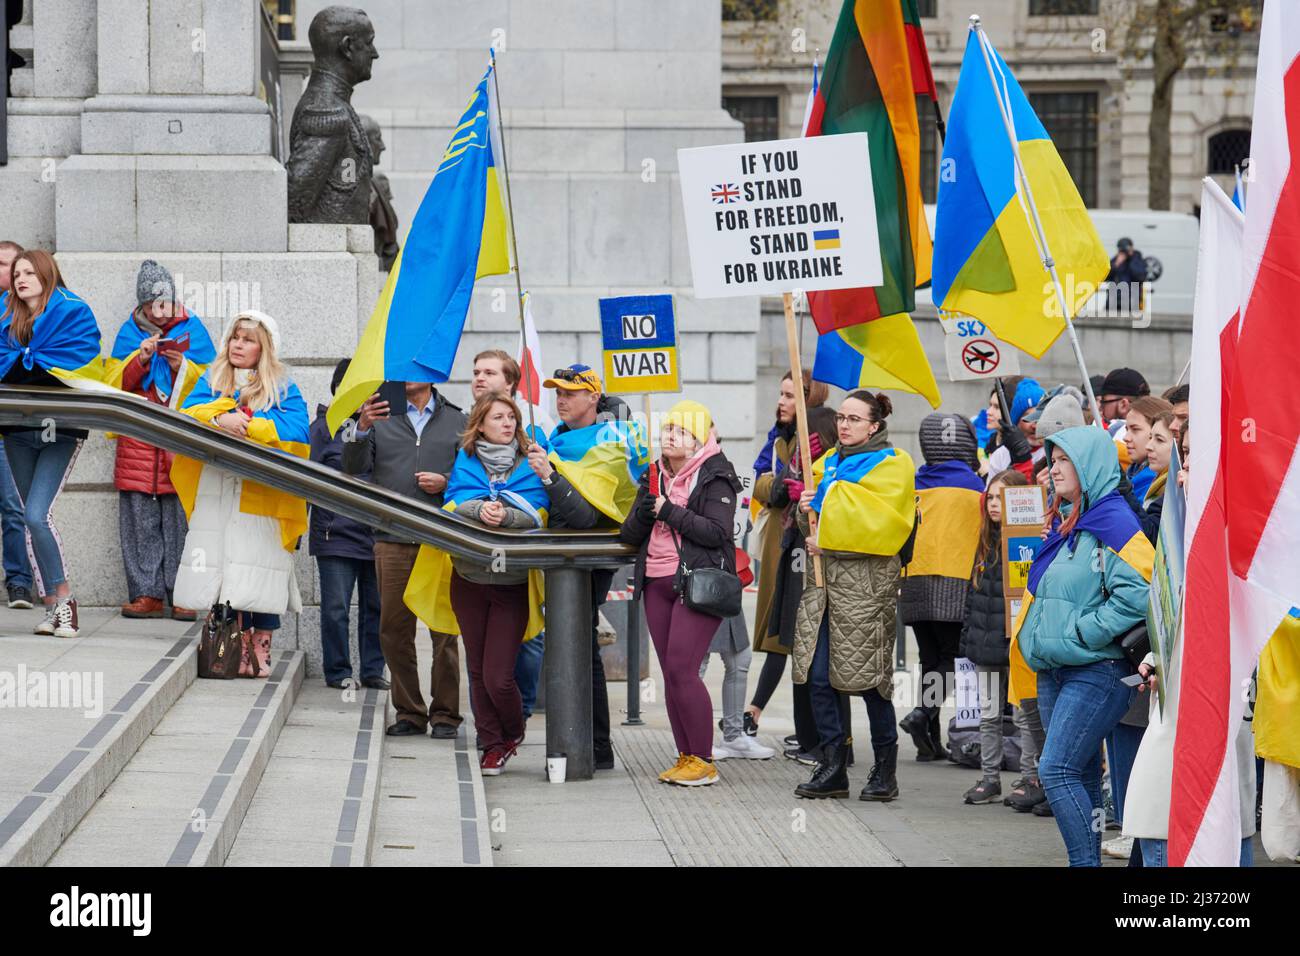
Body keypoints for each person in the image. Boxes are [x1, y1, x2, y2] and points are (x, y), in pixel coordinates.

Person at [1012, 425, 1153, 866]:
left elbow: (1139, 592)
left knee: (1055, 770)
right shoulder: (1069, 522)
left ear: (1089, 464)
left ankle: (1083, 864)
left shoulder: (1113, 521)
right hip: (1056, 668)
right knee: (1082, 771)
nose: (1052, 469)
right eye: (1050, 461)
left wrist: (1082, 633)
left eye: (1062, 461)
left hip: (1098, 669)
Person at [791, 392, 916, 801]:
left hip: (866, 591)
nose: (844, 425)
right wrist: (804, 506)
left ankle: (885, 770)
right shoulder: (826, 463)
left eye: (854, 419)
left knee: (869, 683)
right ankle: (833, 764)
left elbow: (882, 527)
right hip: (824, 589)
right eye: (841, 418)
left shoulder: (894, 466)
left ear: (874, 426)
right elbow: (811, 522)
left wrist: (825, 535)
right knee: (820, 677)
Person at [170, 311, 310, 676]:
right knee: (225, 569)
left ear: (264, 348)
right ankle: (232, 647)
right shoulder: (211, 378)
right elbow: (187, 414)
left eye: (248, 339)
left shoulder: (282, 386)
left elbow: (297, 429)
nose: (238, 344)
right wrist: (220, 418)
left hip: (261, 492)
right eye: (235, 337)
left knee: (259, 569)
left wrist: (250, 424)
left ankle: (260, 647)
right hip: (218, 489)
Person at [620, 400, 741, 788]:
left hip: (696, 583)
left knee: (682, 669)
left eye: (682, 431)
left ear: (700, 440)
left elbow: (716, 533)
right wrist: (647, 506)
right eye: (668, 429)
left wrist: (668, 509)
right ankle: (685, 754)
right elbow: (628, 536)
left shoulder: (715, 476)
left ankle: (704, 761)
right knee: (670, 675)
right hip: (656, 582)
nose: (671, 436)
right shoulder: (654, 475)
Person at [531, 363, 645, 770]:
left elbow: (584, 515)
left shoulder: (611, 441)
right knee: (573, 646)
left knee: (582, 648)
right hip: (559, 558)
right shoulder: (556, 438)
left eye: (571, 393)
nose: (561, 399)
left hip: (586, 559)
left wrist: (550, 476)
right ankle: (589, 744)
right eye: (557, 392)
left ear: (593, 397)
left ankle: (596, 745)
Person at [345, 379, 465, 738]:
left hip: (440, 540)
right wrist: (361, 426)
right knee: (394, 630)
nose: (406, 373)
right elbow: (352, 469)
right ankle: (410, 712)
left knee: (444, 631)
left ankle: (445, 714)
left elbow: (472, 477)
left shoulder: (458, 420)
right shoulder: (380, 416)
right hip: (391, 537)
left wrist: (446, 482)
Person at [105, 259, 216, 622]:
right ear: (143, 304)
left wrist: (178, 364)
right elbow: (113, 385)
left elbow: (213, 384)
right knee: (139, 520)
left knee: (180, 520)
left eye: (165, 302)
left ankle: (183, 593)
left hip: (177, 438)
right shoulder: (128, 332)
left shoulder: (193, 329)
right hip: (138, 439)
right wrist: (141, 358)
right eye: (153, 303)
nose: (160, 309)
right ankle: (146, 593)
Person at [445, 392, 549, 776]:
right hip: (468, 577)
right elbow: (453, 502)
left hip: (511, 582)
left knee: (498, 675)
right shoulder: (466, 459)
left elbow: (539, 512)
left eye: (511, 418)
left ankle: (513, 732)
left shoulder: (529, 461)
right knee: (476, 670)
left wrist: (506, 515)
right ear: (481, 424)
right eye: (498, 418)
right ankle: (491, 744)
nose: (507, 424)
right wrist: (478, 509)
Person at [0, 249, 102, 638]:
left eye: (29, 272)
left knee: (35, 516)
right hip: (16, 430)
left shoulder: (72, 313)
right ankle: (50, 609)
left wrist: (26, 366)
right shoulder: (4, 316)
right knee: (31, 519)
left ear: (47, 274)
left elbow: (75, 364)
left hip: (59, 430)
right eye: (16, 272)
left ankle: (65, 602)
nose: (20, 278)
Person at [957, 469, 1047, 806]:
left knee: (1025, 712)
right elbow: (973, 596)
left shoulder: (1032, 540)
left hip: (1018, 641)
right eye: (990, 497)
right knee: (990, 712)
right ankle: (990, 778)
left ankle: (1029, 777)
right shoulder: (984, 541)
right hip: (987, 642)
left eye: (1001, 498)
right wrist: (968, 641)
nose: (994, 504)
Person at [898, 411, 984, 763]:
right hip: (957, 579)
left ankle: (929, 739)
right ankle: (922, 713)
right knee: (953, 657)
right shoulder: (976, 489)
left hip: (915, 578)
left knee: (930, 658)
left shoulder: (915, 485)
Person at [748, 370, 828, 739]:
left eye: (790, 396)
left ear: (810, 399)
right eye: (780, 394)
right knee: (777, 632)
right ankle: (760, 713)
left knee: (798, 637)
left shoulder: (820, 435)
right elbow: (760, 481)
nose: (781, 402)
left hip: (804, 546)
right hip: (778, 543)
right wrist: (780, 484)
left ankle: (810, 732)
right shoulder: (780, 436)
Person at [309, 359, 387, 690]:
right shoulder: (323, 427)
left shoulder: (387, 427)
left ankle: (372, 671)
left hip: (377, 534)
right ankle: (338, 671)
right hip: (335, 534)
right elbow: (306, 479)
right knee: (336, 609)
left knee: (376, 609)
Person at [0, 240, 34, 610]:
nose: (7, 273)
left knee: (15, 507)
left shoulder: (31, 313)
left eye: (13, 266)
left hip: (11, 424)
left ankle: (19, 583)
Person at [985, 377, 1045, 484]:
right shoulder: (1001, 455)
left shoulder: (1054, 453)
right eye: (1028, 416)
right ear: (1015, 422)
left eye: (1040, 416)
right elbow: (988, 497)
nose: (1035, 425)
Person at [1122, 395, 1172, 503]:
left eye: (1135, 429)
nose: (1125, 438)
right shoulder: (1133, 472)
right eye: (1127, 429)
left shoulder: (1154, 478)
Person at [1097, 367, 1150, 440]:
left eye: (1104, 402)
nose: (1100, 408)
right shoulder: (1156, 431)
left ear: (1123, 405)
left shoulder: (1114, 436)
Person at [1105, 237, 1148, 314]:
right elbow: (1105, 276)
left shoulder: (1137, 260)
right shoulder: (1116, 260)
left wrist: (1131, 259)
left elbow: (1140, 277)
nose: (1124, 252)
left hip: (1131, 300)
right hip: (1114, 300)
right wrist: (1116, 264)